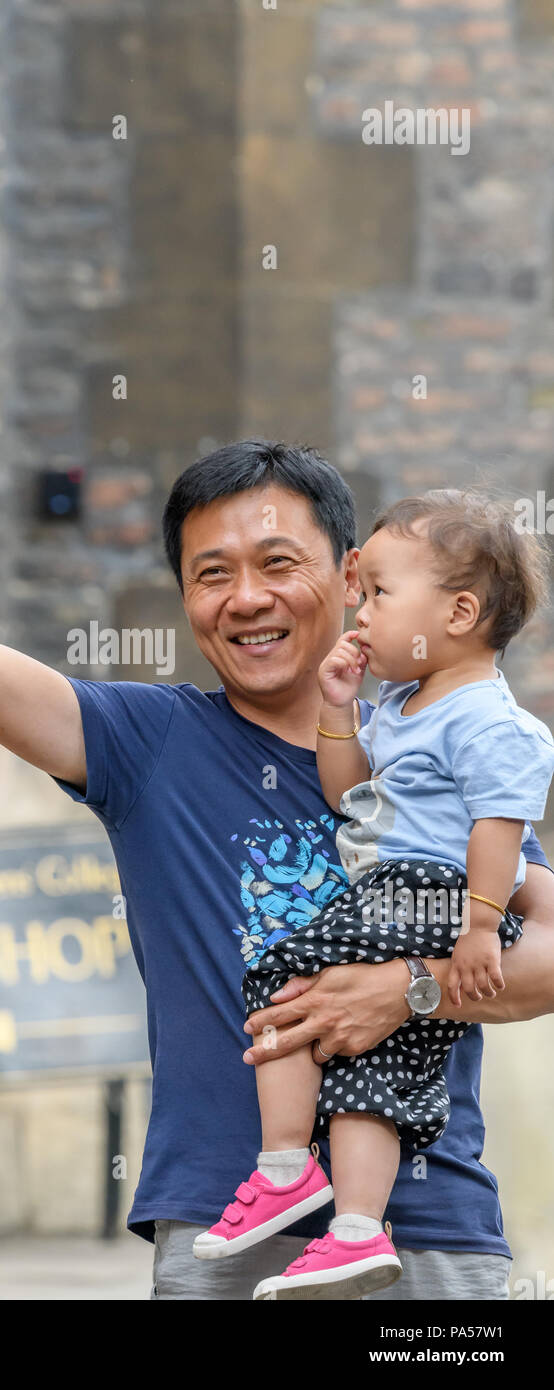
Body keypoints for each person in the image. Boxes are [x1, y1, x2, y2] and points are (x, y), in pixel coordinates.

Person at [0, 278, 554, 1300]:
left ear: (348, 579)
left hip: (428, 1231)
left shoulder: (436, 749)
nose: (243, 597)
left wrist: (402, 988)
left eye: (275, 562)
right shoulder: (147, 742)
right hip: (225, 1227)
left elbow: (548, 951)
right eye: (209, 574)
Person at [192, 491, 554, 1299]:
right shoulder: (400, 704)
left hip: (424, 894)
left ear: (459, 612)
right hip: (396, 889)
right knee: (369, 1068)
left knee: (280, 982)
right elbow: (348, 794)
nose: (361, 610)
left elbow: (498, 833)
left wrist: (477, 929)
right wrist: (337, 710)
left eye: (380, 593)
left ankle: (287, 1169)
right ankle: (356, 1227)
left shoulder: (489, 723)